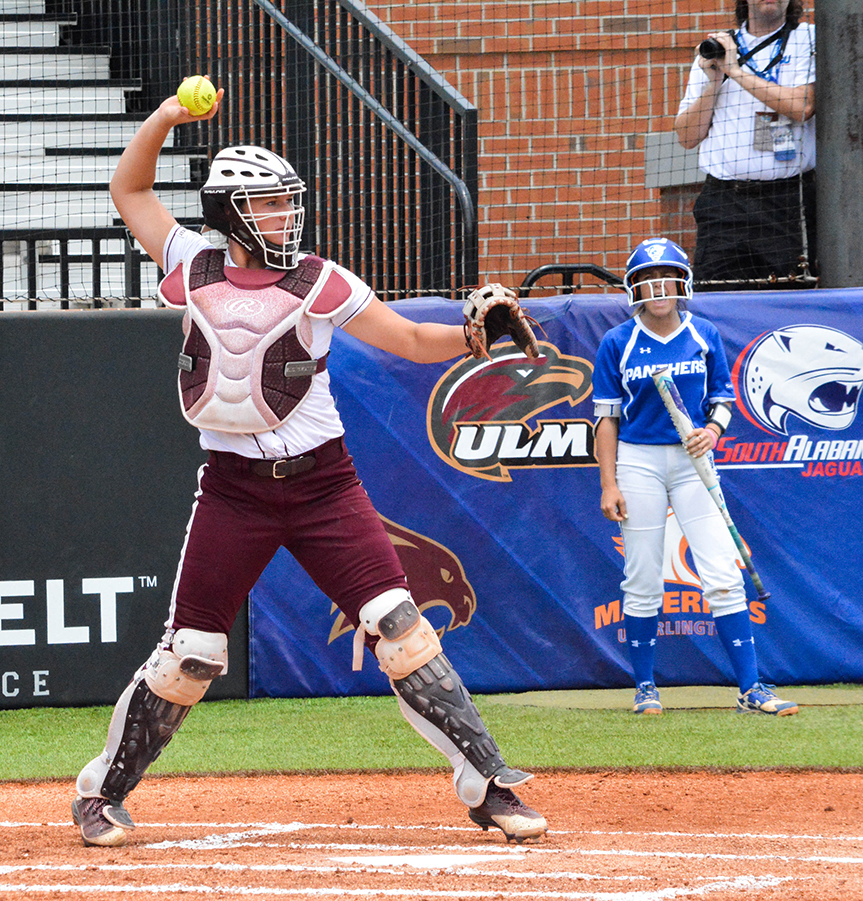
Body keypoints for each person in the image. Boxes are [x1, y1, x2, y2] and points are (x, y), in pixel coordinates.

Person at [69, 89, 548, 849]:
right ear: (229, 215)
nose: (284, 219)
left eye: (286, 205)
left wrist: (469, 333)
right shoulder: (191, 263)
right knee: (191, 655)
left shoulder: (320, 279)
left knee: (402, 631)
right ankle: (103, 792)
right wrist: (165, 119)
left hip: (325, 486)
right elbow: (128, 189)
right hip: (233, 490)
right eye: (265, 207)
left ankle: (489, 785)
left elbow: (411, 342)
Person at [592, 237, 798, 718]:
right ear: (635, 286)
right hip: (638, 460)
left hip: (693, 463)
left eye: (666, 276)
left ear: (681, 282)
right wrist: (608, 482)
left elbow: (723, 398)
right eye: (647, 278)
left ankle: (751, 687)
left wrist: (712, 430)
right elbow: (607, 419)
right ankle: (645, 686)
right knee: (642, 575)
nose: (658, 286)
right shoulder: (617, 342)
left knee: (723, 574)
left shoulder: (702, 333)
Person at [673, 0, 817, 289]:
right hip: (725, 202)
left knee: (791, 296)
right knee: (715, 297)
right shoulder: (717, 47)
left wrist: (736, 72)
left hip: (788, 201)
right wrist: (714, 82)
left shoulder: (808, 38)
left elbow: (802, 106)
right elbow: (687, 137)